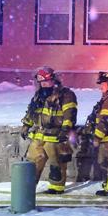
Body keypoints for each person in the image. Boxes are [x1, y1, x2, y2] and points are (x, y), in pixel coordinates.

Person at [20, 66, 78, 194]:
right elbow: (32, 112)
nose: (44, 84)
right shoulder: (39, 95)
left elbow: (70, 114)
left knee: (56, 165)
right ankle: (27, 189)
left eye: (46, 81)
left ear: (54, 80)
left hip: (56, 136)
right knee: (32, 163)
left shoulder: (66, 95)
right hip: (39, 136)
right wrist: (26, 125)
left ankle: (56, 188)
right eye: (41, 82)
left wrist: (65, 130)